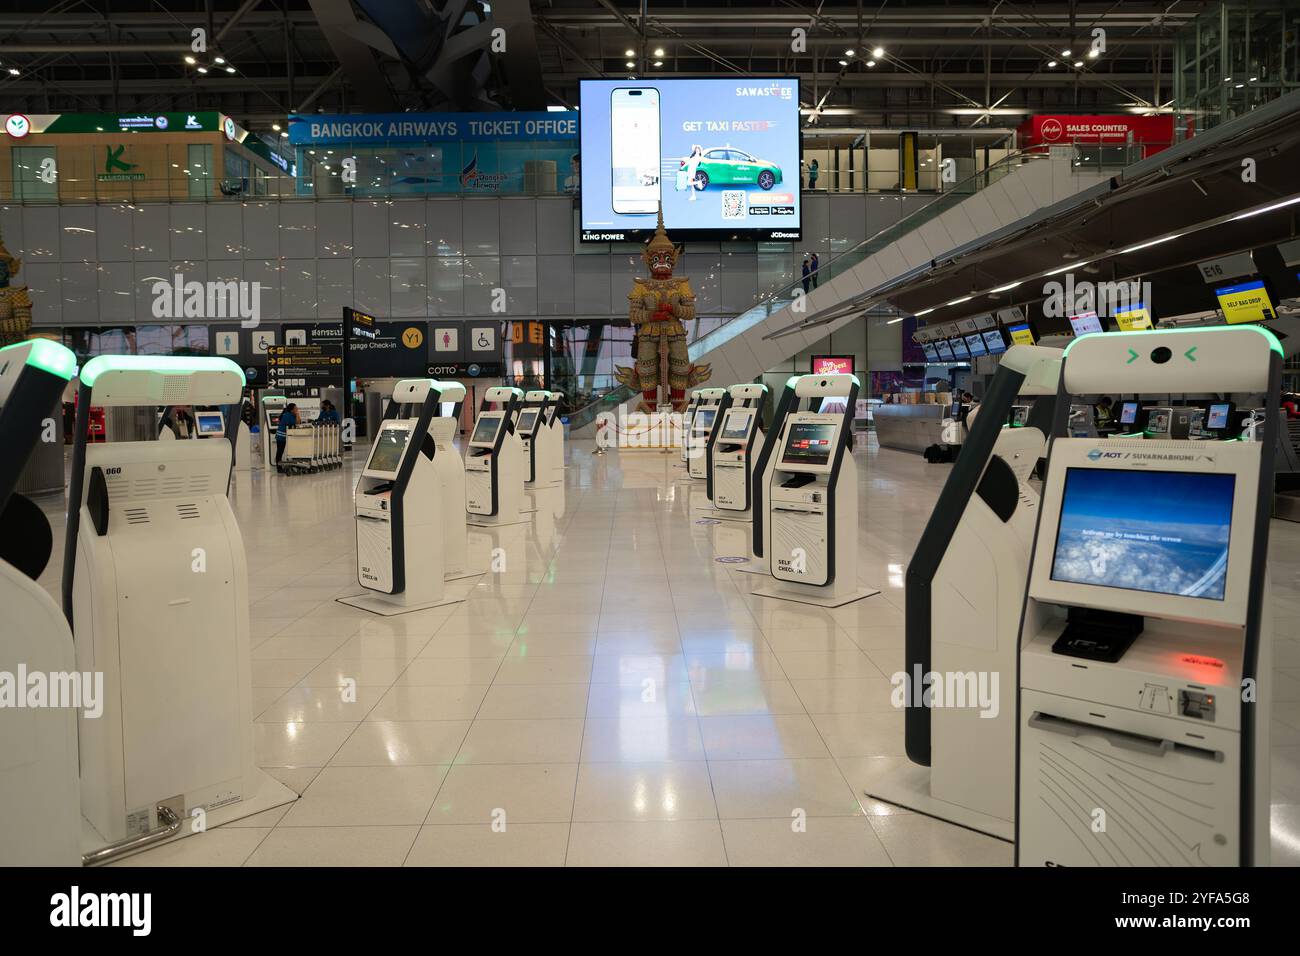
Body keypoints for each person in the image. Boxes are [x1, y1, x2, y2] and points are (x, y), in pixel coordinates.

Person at [275, 402, 298, 472]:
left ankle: (280, 467)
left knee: (280, 452)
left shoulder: (289, 415)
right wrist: (297, 414)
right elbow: (295, 423)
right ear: (291, 410)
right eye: (295, 408)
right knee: (280, 452)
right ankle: (279, 468)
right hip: (281, 436)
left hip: (281, 436)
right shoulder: (288, 415)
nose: (297, 409)